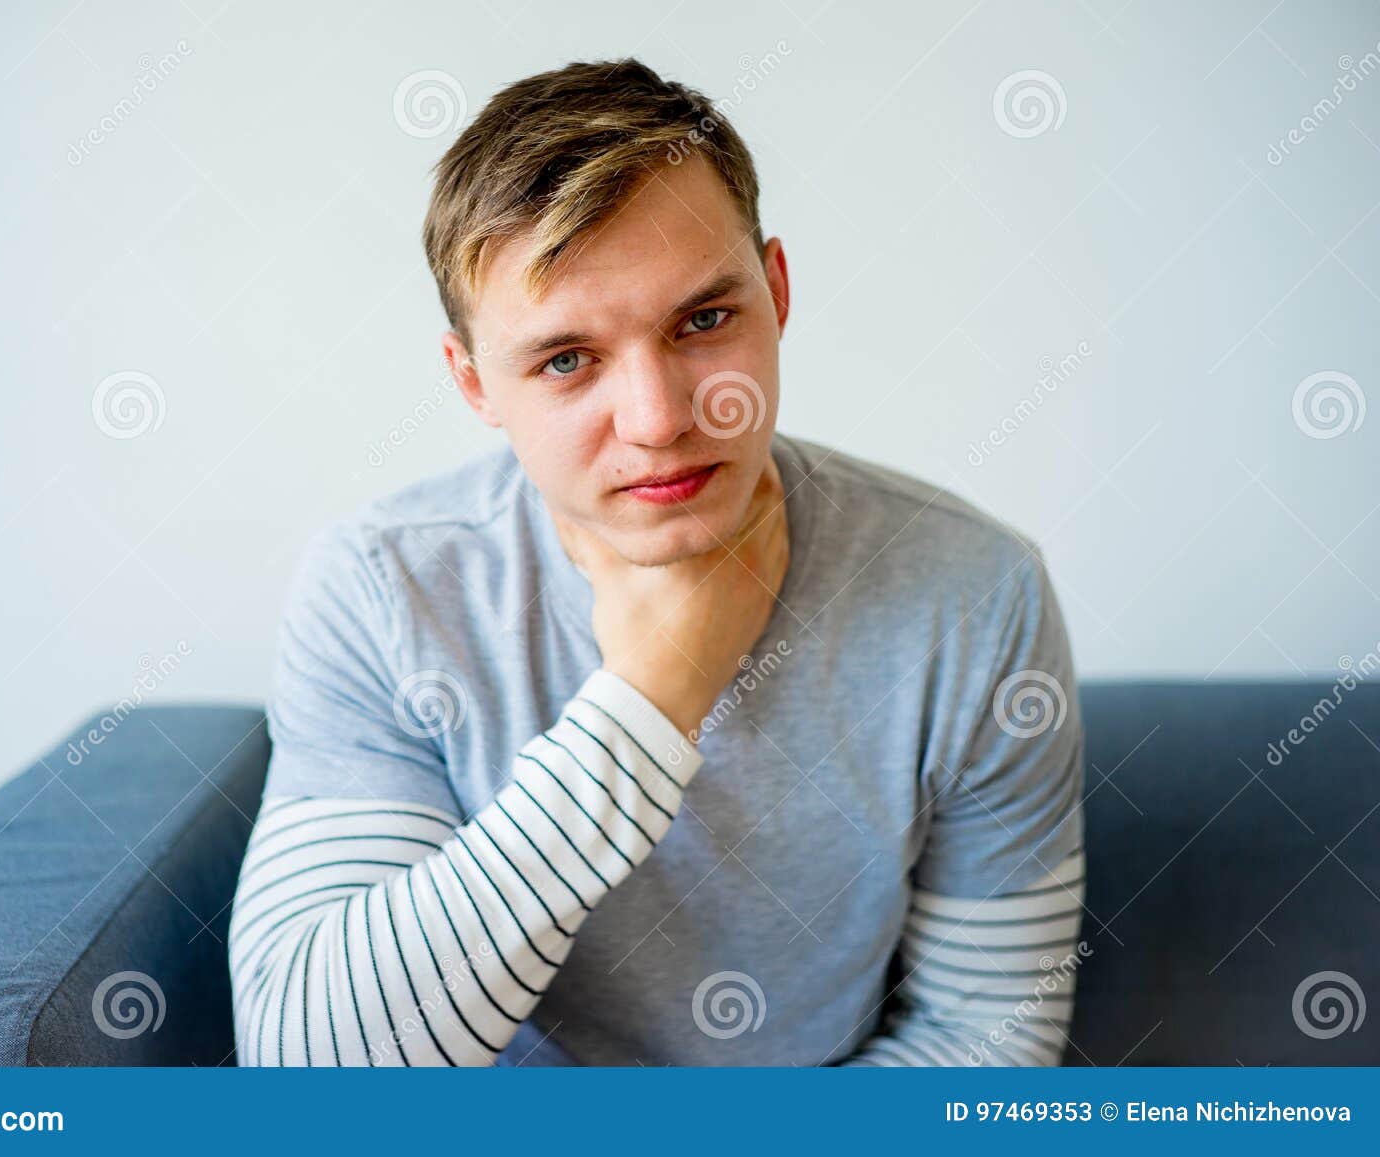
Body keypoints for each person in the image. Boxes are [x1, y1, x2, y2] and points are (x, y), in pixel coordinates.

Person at [227, 57, 1087, 1067]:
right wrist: (650, 694)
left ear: (775, 292)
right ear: (474, 384)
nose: (660, 419)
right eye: (565, 359)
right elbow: (311, 1074)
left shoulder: (974, 594)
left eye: (704, 320)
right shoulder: (383, 592)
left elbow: (988, 1043)